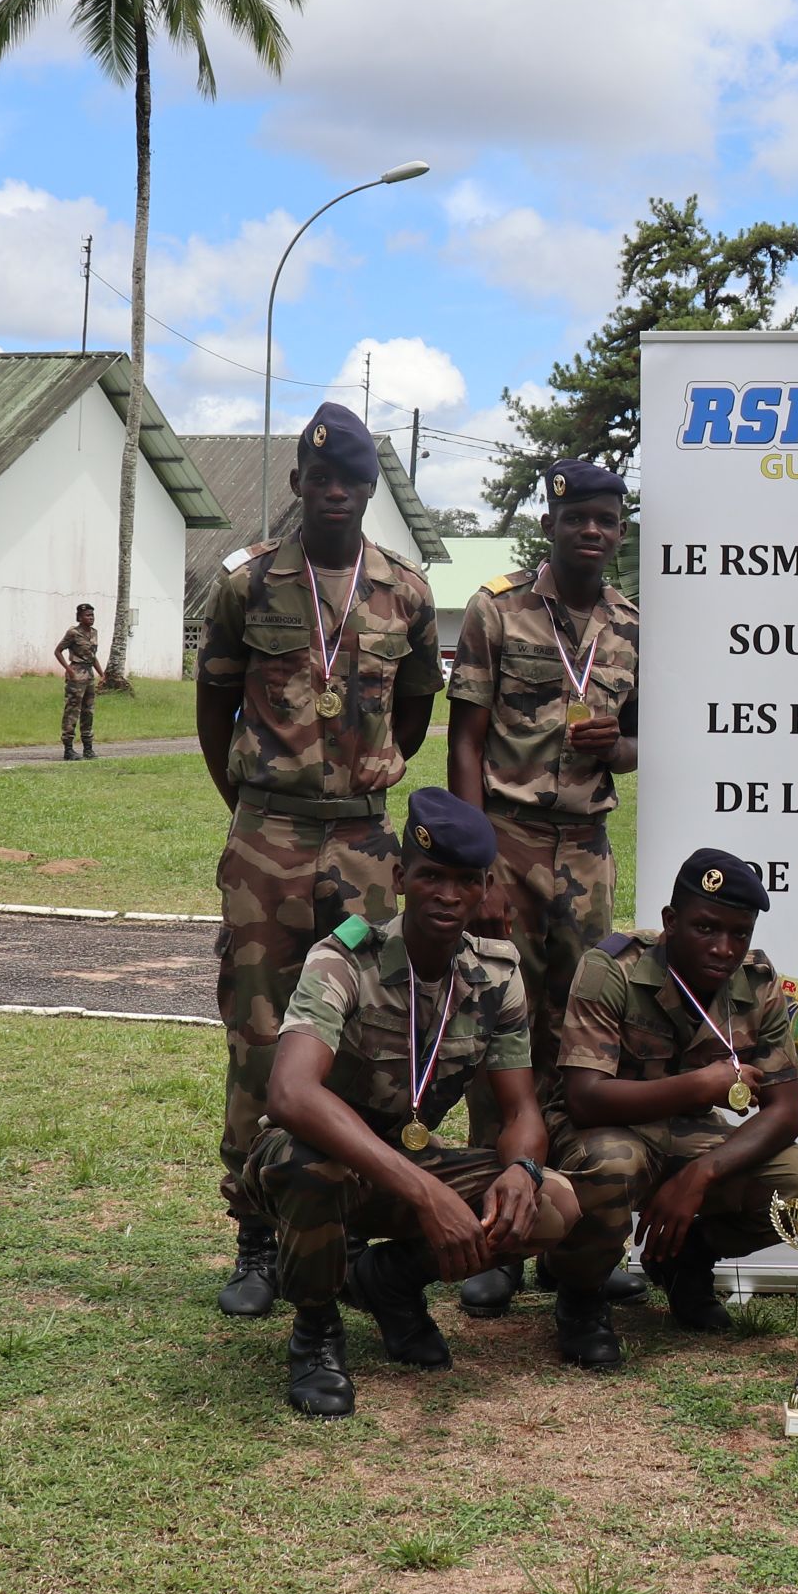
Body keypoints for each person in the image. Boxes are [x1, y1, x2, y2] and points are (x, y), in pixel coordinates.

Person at [197, 402, 443, 1320]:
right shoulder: (247, 586)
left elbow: (415, 708)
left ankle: (351, 1221)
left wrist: (370, 778)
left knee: (363, 1028)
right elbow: (214, 708)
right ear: (297, 485)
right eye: (318, 478)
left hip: (366, 846)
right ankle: (256, 1236)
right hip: (268, 840)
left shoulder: (405, 593)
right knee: (258, 1028)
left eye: (351, 479)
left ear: (368, 489)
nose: (333, 492)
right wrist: (255, 812)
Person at [246, 790, 598, 1417]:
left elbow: (520, 1110)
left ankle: (390, 1283)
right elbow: (291, 1093)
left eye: (465, 881)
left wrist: (522, 1169)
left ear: (485, 888)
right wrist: (427, 1193)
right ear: (402, 878)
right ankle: (316, 1331)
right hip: (317, 1154)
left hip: (405, 1163)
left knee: (553, 1202)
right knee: (308, 1167)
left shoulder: (496, 974)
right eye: (431, 876)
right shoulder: (342, 960)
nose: (446, 894)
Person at [445, 457, 641, 1317]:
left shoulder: (635, 625)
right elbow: (464, 740)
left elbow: (643, 742)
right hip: (511, 845)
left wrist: (616, 747)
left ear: (619, 529)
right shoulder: (498, 608)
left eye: (607, 520)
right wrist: (476, 861)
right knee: (496, 1030)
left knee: (583, 1039)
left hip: (587, 854)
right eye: (578, 519)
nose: (591, 532)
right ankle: (497, 1238)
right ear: (552, 523)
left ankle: (582, 1230)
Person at [548, 848, 798, 1369]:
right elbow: (585, 1098)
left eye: (739, 933)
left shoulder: (757, 984)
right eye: (706, 928)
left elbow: (785, 1111)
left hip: (689, 1137)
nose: (724, 948)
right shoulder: (611, 969)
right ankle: (581, 1297)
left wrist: (702, 1174)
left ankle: (686, 1259)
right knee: (612, 1163)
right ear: (671, 922)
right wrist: (704, 1085)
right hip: (606, 1127)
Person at [54, 602, 101, 760]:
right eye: (87, 615)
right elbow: (58, 651)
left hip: (89, 676)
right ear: (80, 617)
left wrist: (102, 674)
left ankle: (88, 747)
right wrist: (69, 670)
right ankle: (68, 749)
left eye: (92, 615)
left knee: (88, 712)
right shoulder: (73, 633)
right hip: (76, 675)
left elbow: (93, 657)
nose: (91, 618)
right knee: (72, 711)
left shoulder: (94, 633)